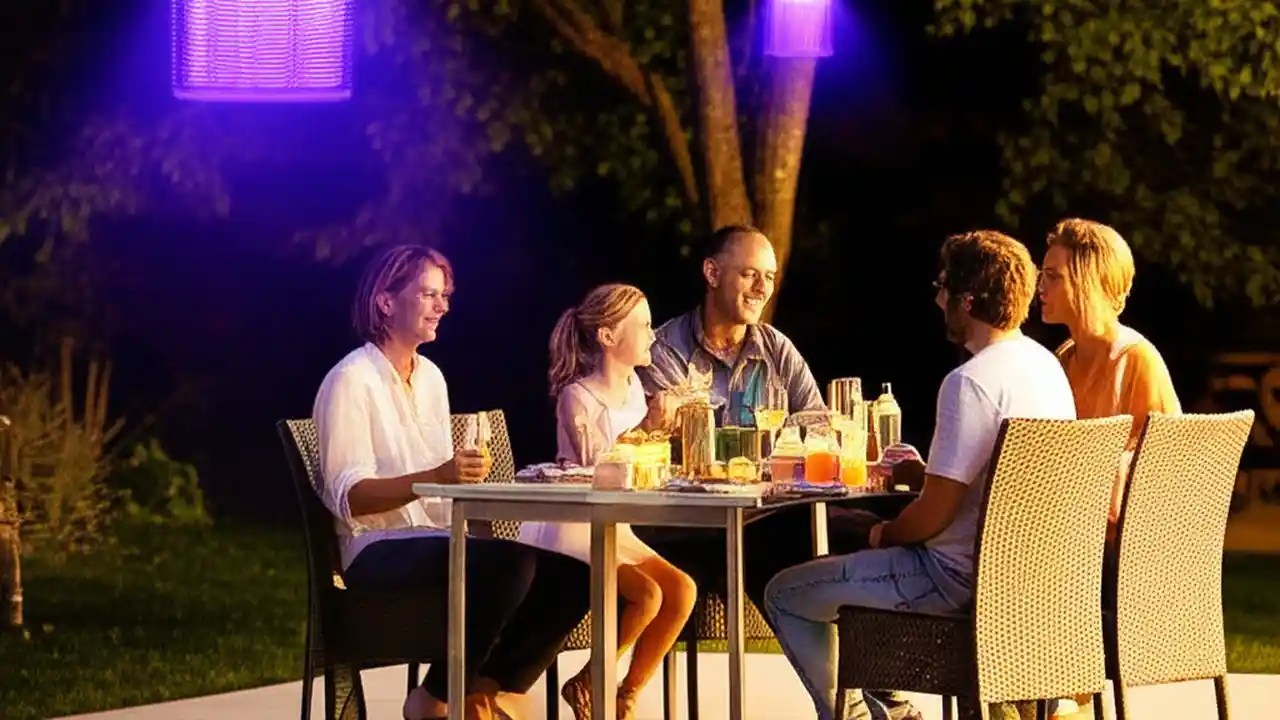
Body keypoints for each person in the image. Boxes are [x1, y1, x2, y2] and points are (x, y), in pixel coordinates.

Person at [764, 230, 1077, 720]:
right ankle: (887, 700)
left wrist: (882, 533)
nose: (937, 298)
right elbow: (995, 485)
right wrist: (924, 475)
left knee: (786, 592)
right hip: (1027, 583)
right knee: (853, 537)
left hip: (953, 581)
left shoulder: (969, 382)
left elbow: (933, 516)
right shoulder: (1044, 367)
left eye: (943, 286)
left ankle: (856, 716)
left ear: (967, 301)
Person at [313, 244, 589, 720]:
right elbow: (351, 497)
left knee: (576, 575)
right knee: (511, 566)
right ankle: (435, 698)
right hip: (376, 548)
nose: (443, 306)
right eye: (428, 294)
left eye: (445, 295)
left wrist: (469, 490)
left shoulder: (431, 378)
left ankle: (487, 690)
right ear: (385, 301)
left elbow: (445, 489)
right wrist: (438, 477)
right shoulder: (349, 381)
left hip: (435, 536)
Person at [517, 283, 697, 720]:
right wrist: (646, 429)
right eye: (644, 325)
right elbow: (599, 468)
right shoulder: (577, 396)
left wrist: (663, 433)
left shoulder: (635, 385)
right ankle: (593, 678)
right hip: (574, 528)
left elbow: (639, 463)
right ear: (607, 337)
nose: (654, 335)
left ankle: (626, 692)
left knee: (682, 591)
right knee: (648, 595)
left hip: (615, 527)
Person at [1037, 218, 1181, 720]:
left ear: (1088, 280)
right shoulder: (1064, 359)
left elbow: (1172, 478)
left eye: (1052, 274)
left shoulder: (1138, 362)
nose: (1039, 286)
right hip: (1070, 547)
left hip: (1123, 565)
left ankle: (1059, 704)